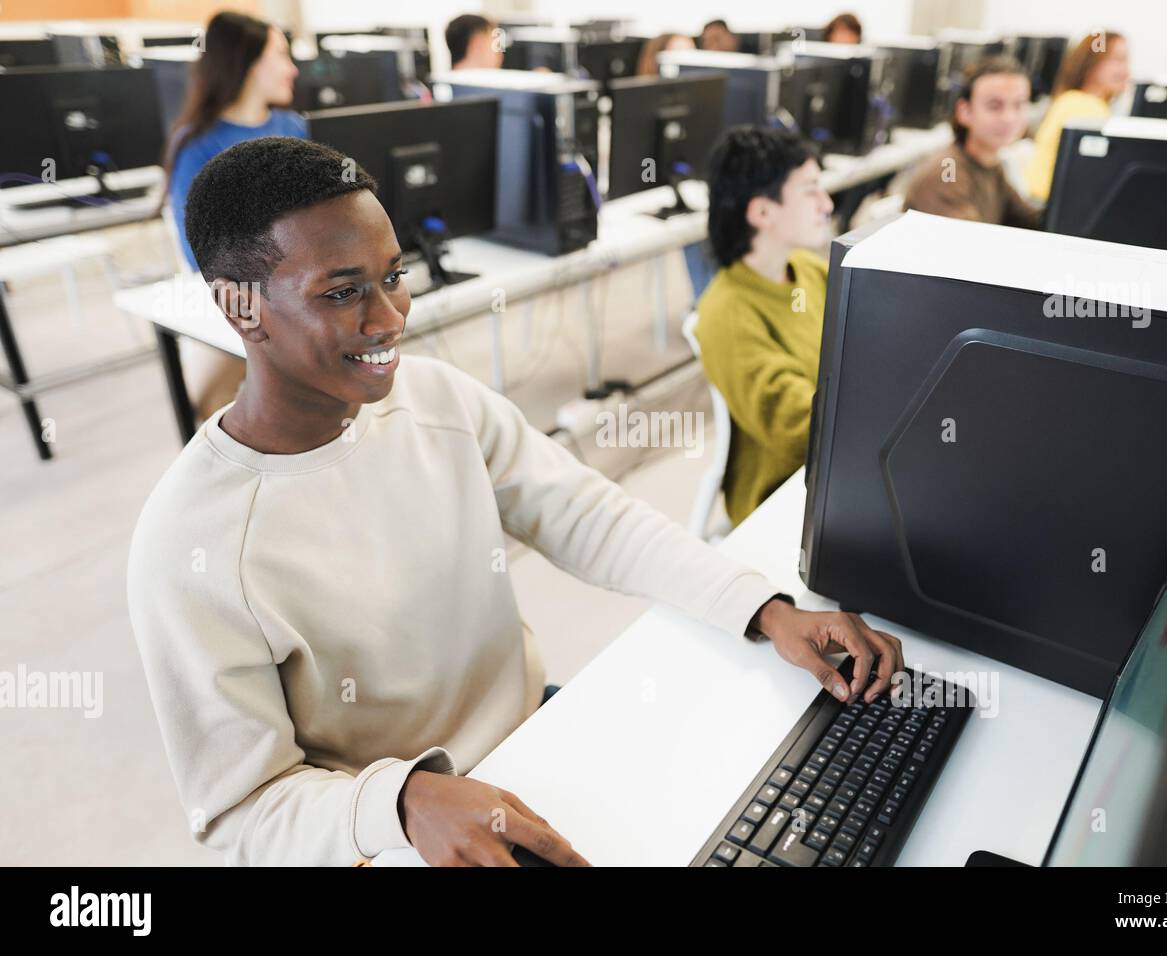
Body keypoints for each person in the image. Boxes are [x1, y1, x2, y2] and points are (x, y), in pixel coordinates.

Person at [126, 136, 904, 867]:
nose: (390, 318)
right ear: (241, 309)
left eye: (395, 275)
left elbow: (589, 517)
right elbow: (240, 811)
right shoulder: (189, 545)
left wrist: (763, 608)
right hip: (388, 831)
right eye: (343, 292)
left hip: (535, 734)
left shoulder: (436, 400)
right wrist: (398, 801)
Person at [163, 10, 303, 420]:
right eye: (281, 55)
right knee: (207, 403)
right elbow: (198, 252)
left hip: (300, 280)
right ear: (248, 63)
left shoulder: (294, 127)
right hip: (239, 293)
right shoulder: (197, 143)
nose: (293, 69)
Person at [693, 127, 834, 527]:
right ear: (762, 212)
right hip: (785, 499)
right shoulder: (727, 313)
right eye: (809, 190)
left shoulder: (808, 270)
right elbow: (803, 433)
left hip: (838, 467)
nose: (826, 203)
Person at [903, 56, 1040, 227]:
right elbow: (969, 244)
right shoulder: (947, 171)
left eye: (1018, 105)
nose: (1009, 118)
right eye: (994, 106)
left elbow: (1028, 219)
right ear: (964, 111)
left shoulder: (991, 163)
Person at [1025, 30, 1130, 202]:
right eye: (1118, 60)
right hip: (1046, 203)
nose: (1126, 69)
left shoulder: (1071, 99)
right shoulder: (1085, 107)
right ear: (1091, 64)